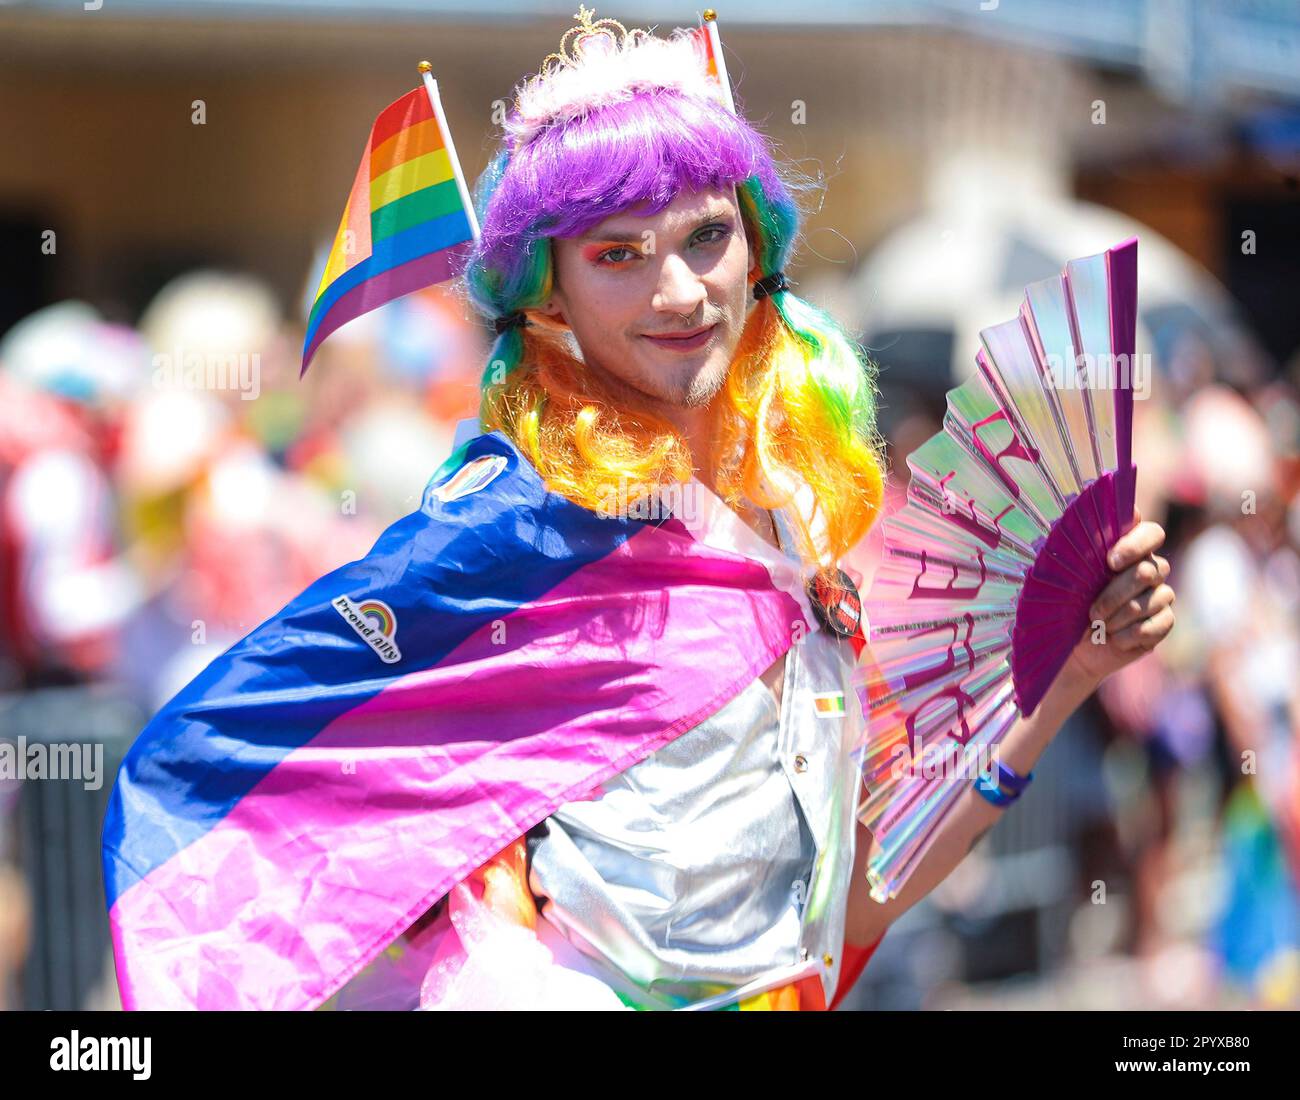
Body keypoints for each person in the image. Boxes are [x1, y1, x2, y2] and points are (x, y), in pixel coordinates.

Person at [103, 11, 1176, 1012]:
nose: (677, 292)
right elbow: (210, 768)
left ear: (759, 256)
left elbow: (856, 893)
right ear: (549, 292)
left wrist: (1070, 671)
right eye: (619, 252)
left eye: (705, 237)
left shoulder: (792, 530)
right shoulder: (514, 529)